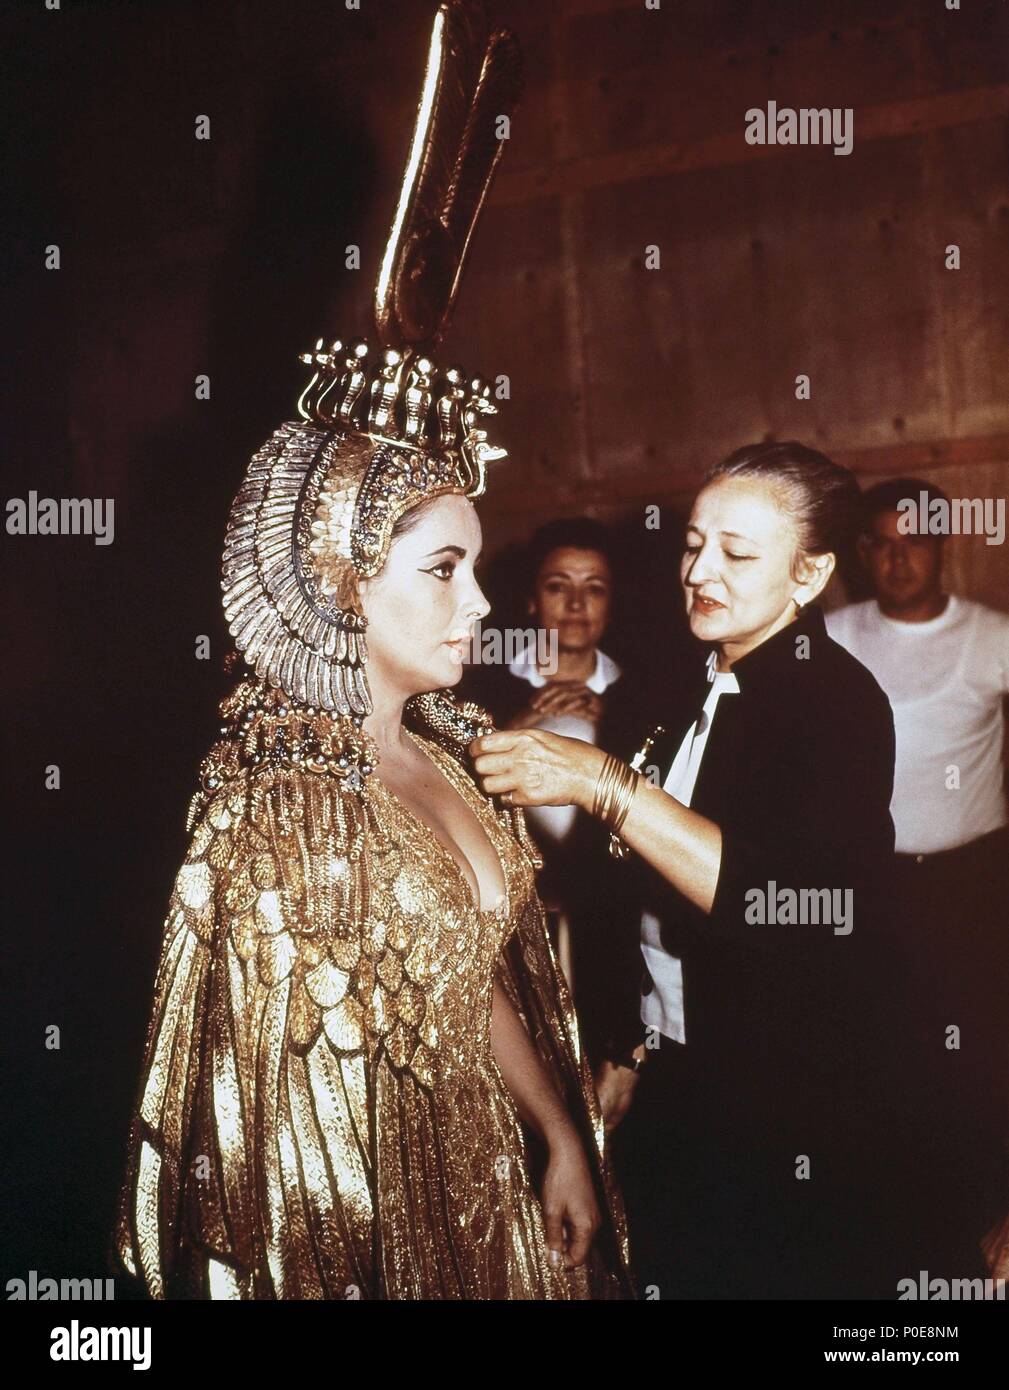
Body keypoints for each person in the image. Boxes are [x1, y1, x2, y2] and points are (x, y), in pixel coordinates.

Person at [112, 4, 632, 1301]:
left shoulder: (459, 748)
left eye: (475, 566)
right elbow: (260, 1169)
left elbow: (469, 978)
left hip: (496, 1204)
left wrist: (561, 1134)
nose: (477, 605)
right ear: (341, 585)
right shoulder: (266, 820)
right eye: (442, 570)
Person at [473, 441, 909, 1299]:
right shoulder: (672, 682)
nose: (699, 570)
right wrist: (628, 1041)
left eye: (737, 554)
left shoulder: (838, 704)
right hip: (677, 1061)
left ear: (809, 575)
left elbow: (791, 906)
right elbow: (623, 895)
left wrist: (605, 784)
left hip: (788, 1085)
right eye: (692, 544)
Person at [825, 477, 1009, 1272]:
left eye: (916, 541)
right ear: (863, 554)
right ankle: (905, 1244)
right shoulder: (826, 634)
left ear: (943, 544)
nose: (899, 559)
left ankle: (987, 1233)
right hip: (872, 889)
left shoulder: (992, 636)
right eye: (882, 544)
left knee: (980, 1058)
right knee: (884, 1063)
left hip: (974, 884)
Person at [462, 518, 646, 1066]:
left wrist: (612, 728)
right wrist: (513, 729)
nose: (575, 603)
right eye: (557, 585)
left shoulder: (644, 695)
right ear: (529, 601)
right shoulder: (478, 686)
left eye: (594, 588)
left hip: (615, 936)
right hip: (513, 927)